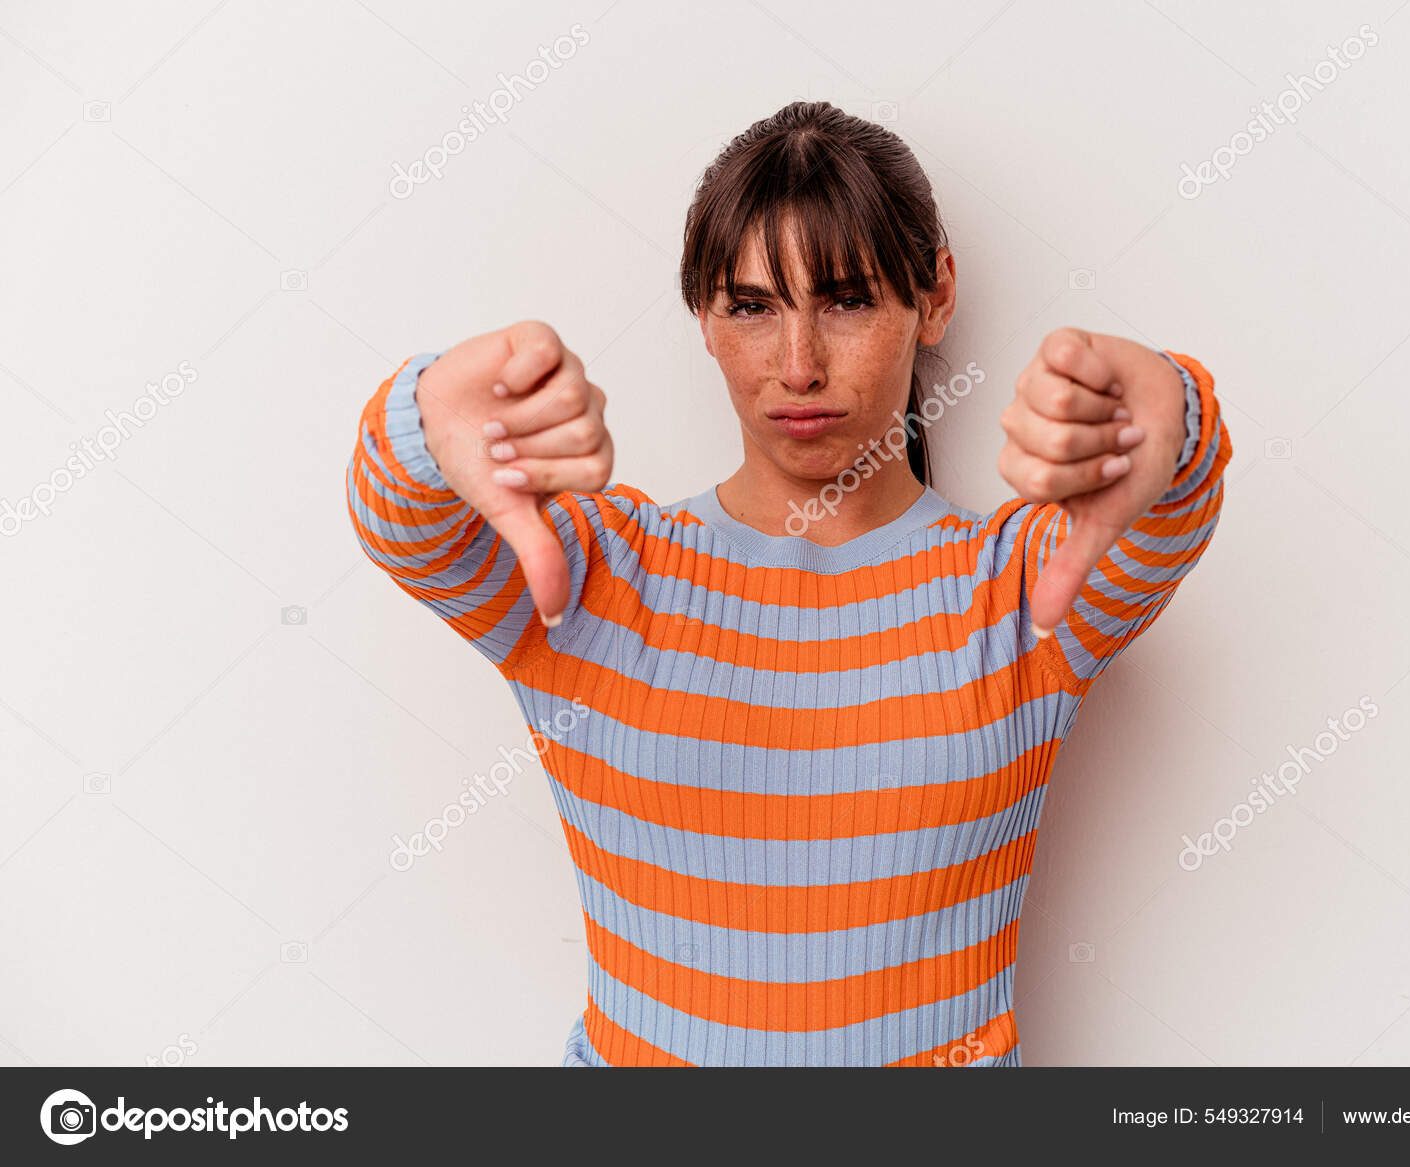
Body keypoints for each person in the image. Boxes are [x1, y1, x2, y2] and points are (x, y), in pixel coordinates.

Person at [346, 100, 1231, 1066]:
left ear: (933, 296)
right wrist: (426, 419)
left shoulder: (1023, 590)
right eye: (753, 306)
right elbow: (405, 523)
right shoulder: (599, 576)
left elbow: (1170, 504)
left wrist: (1171, 414)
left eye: (847, 299)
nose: (799, 366)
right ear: (704, 317)